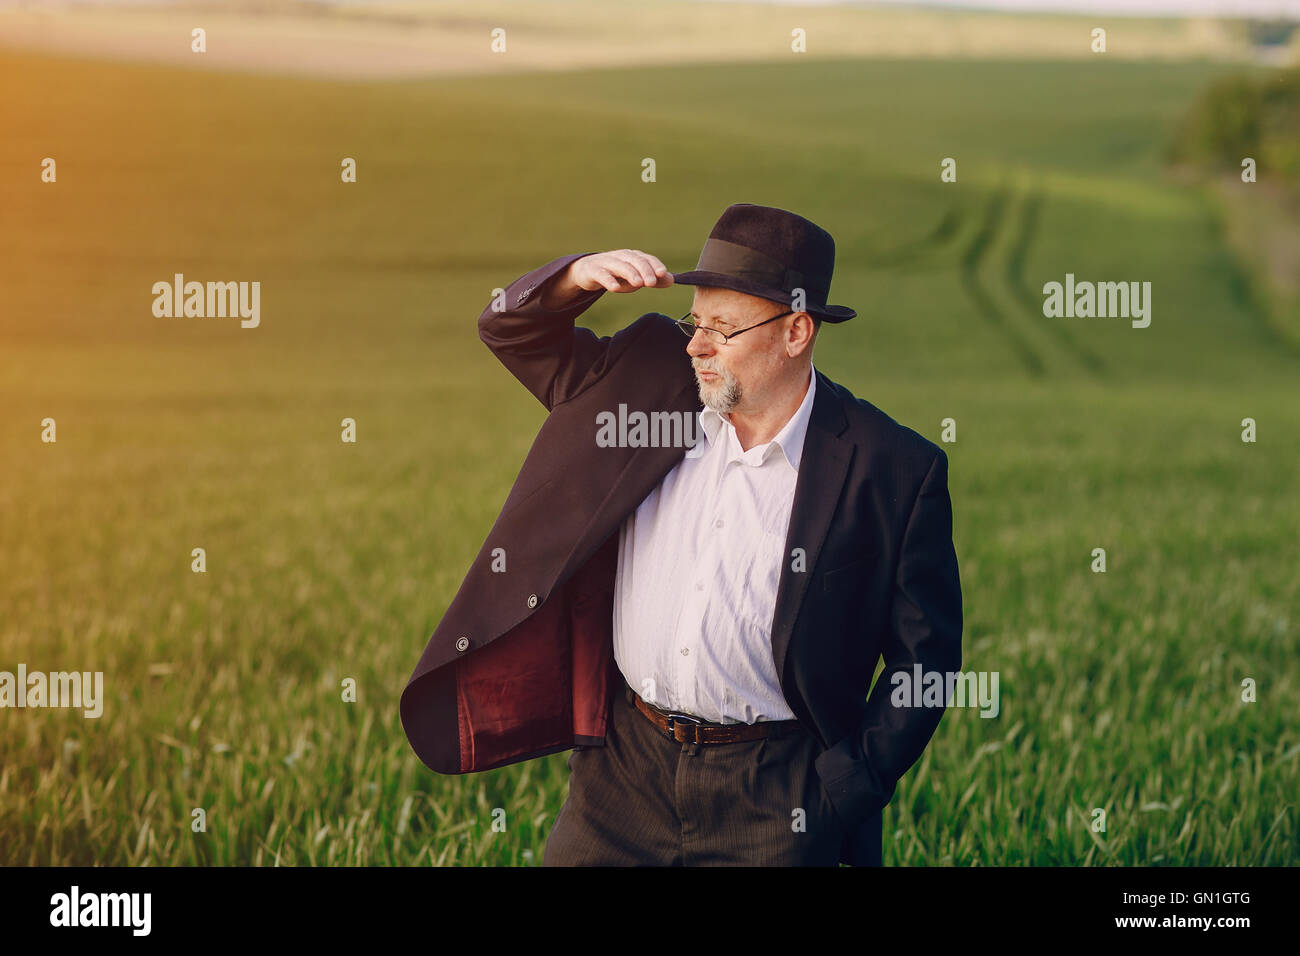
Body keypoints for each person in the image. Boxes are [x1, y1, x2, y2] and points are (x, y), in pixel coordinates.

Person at [399, 203, 963, 866]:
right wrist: (570, 279)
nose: (697, 345)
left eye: (722, 330)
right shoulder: (646, 382)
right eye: (695, 323)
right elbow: (510, 332)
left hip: (778, 797)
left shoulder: (890, 467)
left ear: (796, 332)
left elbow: (925, 660)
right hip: (622, 777)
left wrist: (842, 791)